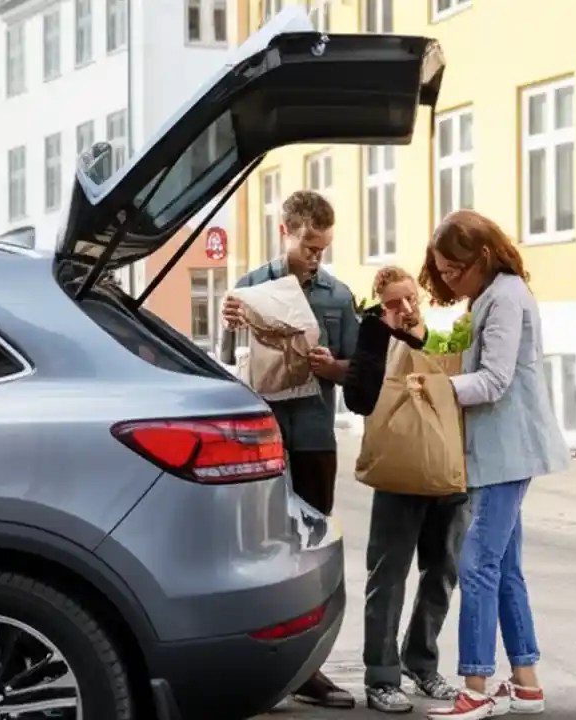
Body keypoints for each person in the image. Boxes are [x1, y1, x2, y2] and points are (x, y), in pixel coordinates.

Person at [417, 211, 570, 720]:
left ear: (482, 257)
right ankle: (525, 682)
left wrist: (438, 388)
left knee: (477, 566)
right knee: (503, 567)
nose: (448, 280)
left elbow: (494, 380)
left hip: (508, 449)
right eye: (441, 272)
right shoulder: (496, 293)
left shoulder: (504, 296)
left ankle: (476, 688)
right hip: (505, 449)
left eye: (454, 270)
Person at [219, 189, 359, 710]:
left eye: (323, 248)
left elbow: (355, 370)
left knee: (313, 550)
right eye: (309, 246)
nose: (316, 257)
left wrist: (332, 368)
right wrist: (231, 327)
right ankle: (258, 665)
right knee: (262, 550)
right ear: (286, 232)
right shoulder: (249, 288)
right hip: (261, 442)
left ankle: (310, 670)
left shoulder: (338, 296)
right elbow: (224, 364)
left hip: (316, 438)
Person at [343, 266, 469, 714]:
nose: (407, 308)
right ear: (381, 304)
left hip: (446, 472)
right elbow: (358, 398)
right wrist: (382, 334)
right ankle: (381, 676)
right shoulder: (374, 339)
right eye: (395, 302)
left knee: (443, 570)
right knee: (388, 575)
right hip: (399, 474)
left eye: (411, 298)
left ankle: (422, 663)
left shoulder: (437, 342)